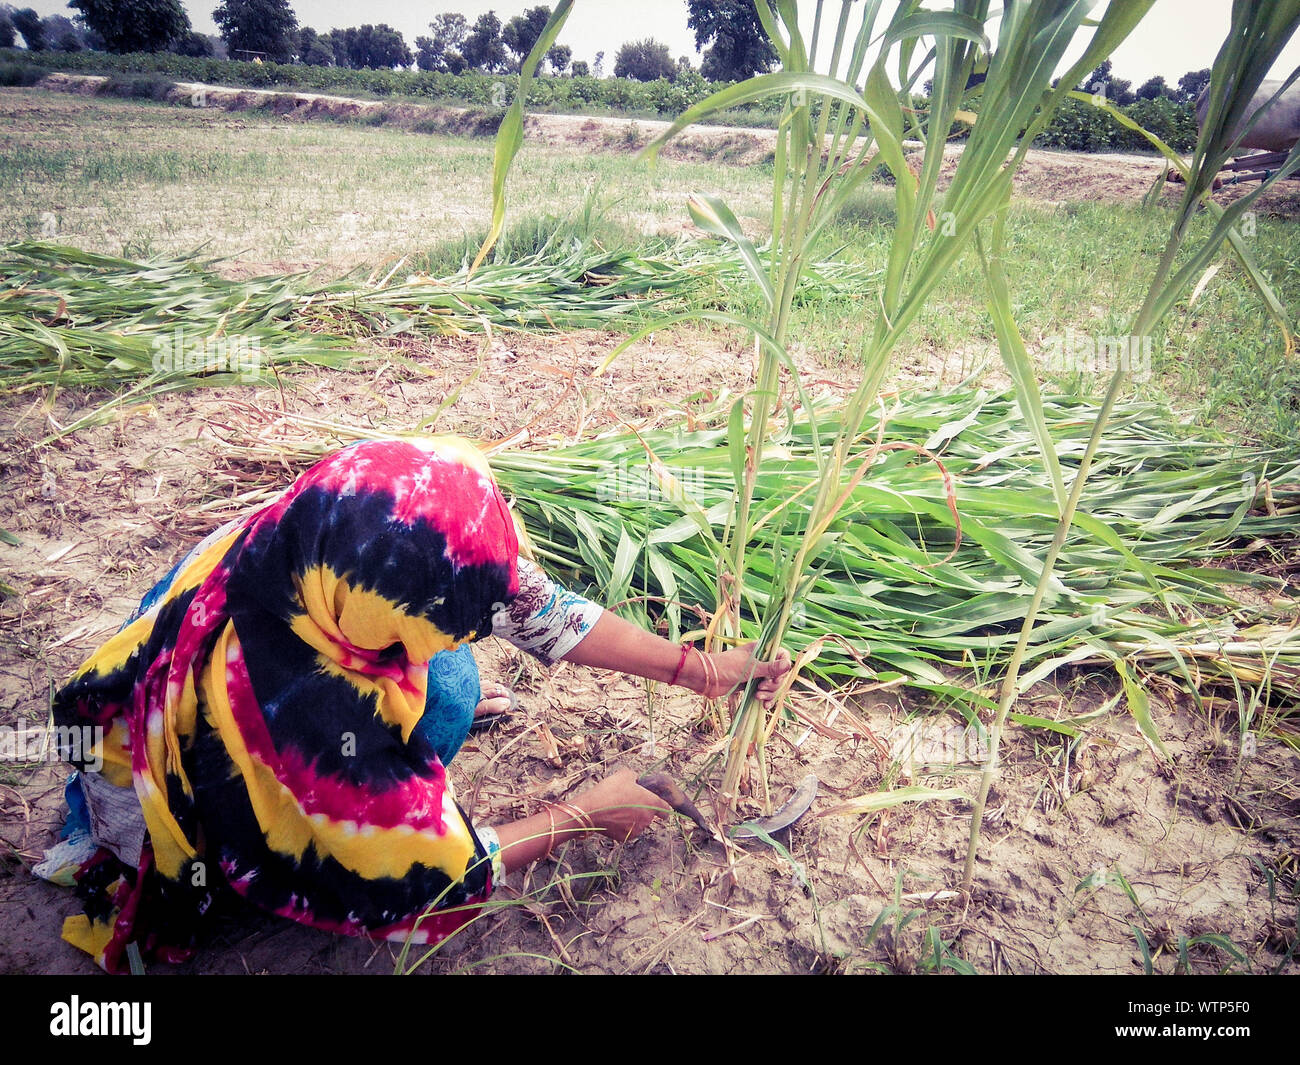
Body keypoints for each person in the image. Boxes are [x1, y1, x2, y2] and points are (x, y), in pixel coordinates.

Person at [49, 436, 790, 972]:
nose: (492, 613)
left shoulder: (344, 526)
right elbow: (428, 889)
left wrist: (697, 669)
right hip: (166, 804)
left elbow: (535, 608)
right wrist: (582, 816)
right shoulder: (302, 712)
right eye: (437, 621)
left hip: (198, 692)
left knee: (452, 679)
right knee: (431, 719)